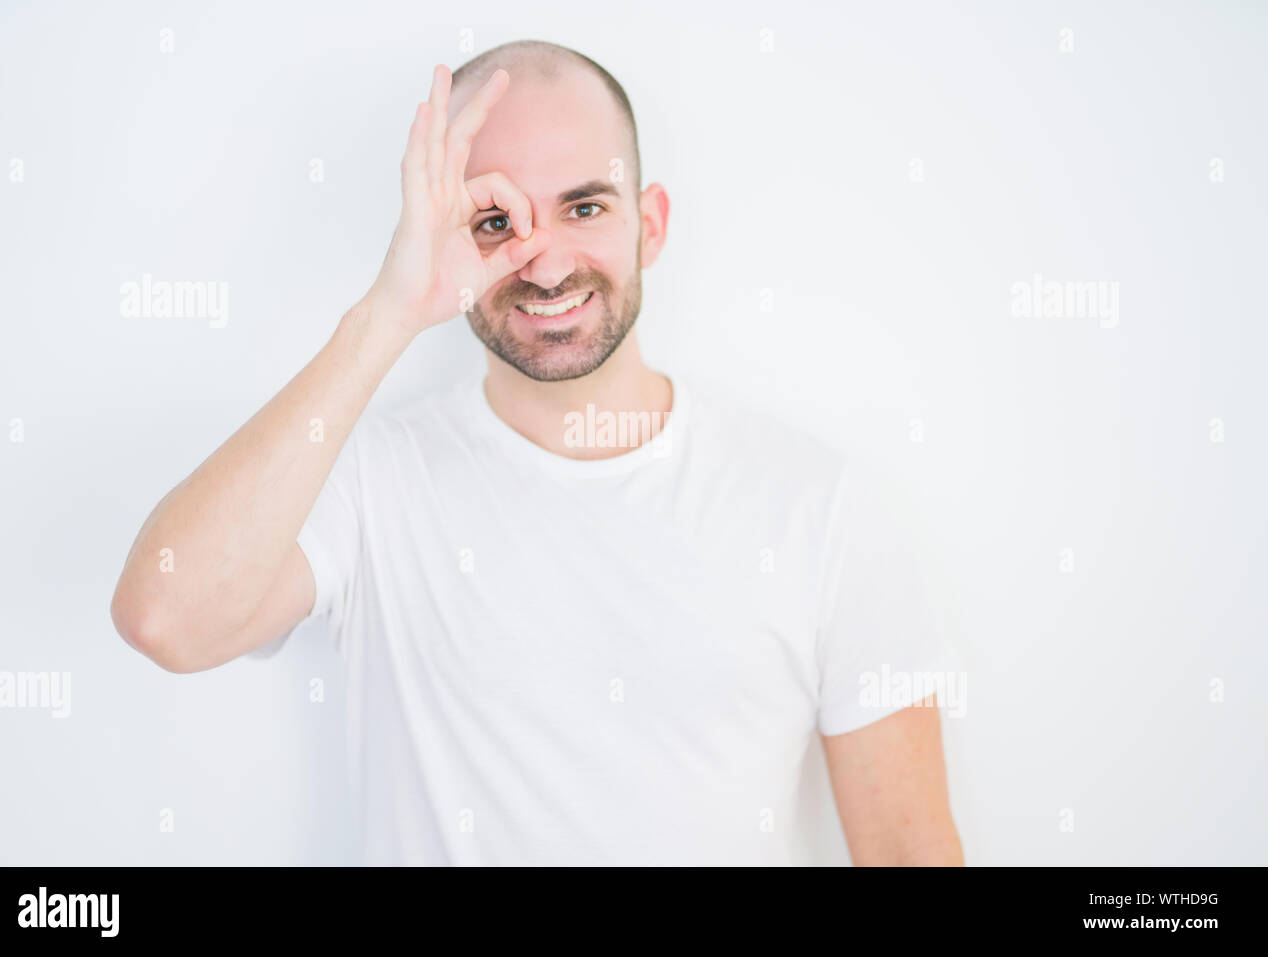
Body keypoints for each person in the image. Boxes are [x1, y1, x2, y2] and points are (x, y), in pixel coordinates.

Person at [110, 39, 964, 866]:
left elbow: (907, 852)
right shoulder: (370, 480)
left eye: (586, 207)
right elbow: (166, 618)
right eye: (495, 219)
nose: (546, 261)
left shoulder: (819, 508)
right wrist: (394, 308)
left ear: (651, 226)